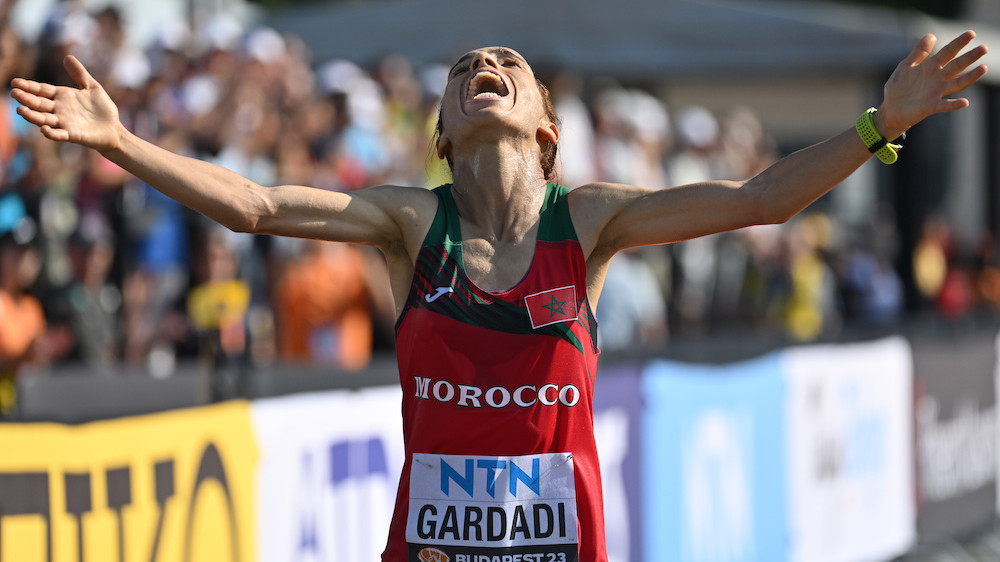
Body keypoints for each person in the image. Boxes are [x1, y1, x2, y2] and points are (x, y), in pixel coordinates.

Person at [10, 31, 988, 560]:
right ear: (440, 129)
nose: (485, 67)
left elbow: (761, 200)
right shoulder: (405, 221)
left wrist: (876, 127)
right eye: (463, 70)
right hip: (430, 552)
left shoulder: (591, 219)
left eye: (506, 65)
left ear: (547, 128)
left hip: (562, 549)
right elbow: (258, 206)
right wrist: (120, 142)